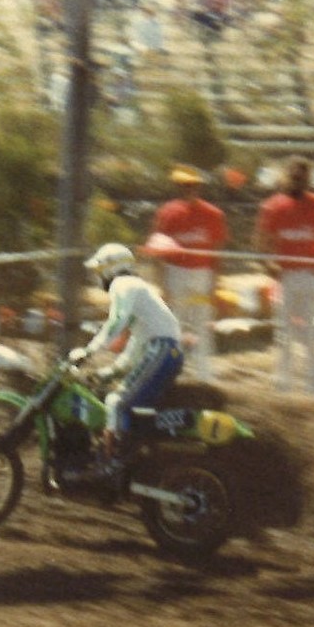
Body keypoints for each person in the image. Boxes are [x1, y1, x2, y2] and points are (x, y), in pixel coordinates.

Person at [68, 242, 184, 484]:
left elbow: (116, 322)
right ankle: (126, 459)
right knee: (117, 400)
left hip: (162, 351)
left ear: (111, 269)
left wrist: (87, 351)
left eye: (99, 270)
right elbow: (136, 344)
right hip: (164, 351)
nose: (98, 276)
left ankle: (110, 464)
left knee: (117, 403)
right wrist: (110, 372)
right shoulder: (139, 291)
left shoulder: (123, 285)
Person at [254, 156, 314, 395]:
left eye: (302, 177)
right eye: (294, 176)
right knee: (284, 333)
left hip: (311, 276)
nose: (298, 180)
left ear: (308, 179)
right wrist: (269, 267)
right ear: (286, 177)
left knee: (310, 332)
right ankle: (283, 387)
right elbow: (260, 242)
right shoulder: (272, 206)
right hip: (285, 278)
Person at [150, 164, 229, 381]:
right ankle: (173, 373)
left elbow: (217, 252)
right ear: (177, 187)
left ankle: (204, 374)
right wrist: (161, 283)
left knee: (201, 323)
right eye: (184, 186)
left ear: (199, 187)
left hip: (201, 274)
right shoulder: (167, 213)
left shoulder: (213, 214)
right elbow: (158, 252)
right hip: (176, 273)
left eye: (193, 185)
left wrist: (215, 282)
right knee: (174, 323)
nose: (189, 189)